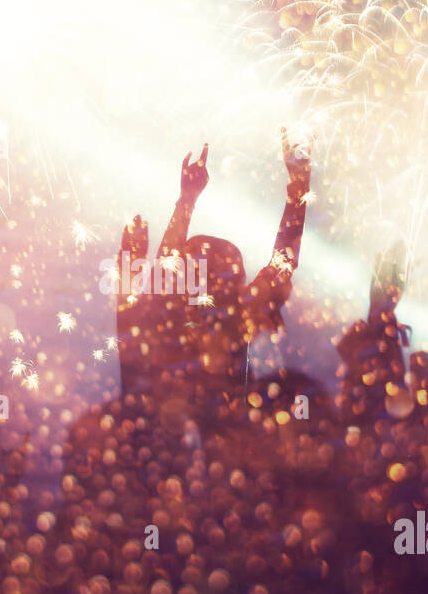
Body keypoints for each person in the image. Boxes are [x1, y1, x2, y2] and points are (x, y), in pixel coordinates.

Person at [114, 127, 312, 415]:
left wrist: (185, 201)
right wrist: (299, 186)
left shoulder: (179, 312)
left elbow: (158, 278)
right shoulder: (232, 313)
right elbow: (283, 260)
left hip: (171, 435)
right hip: (205, 437)